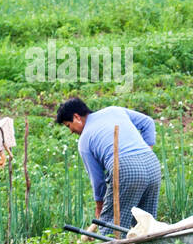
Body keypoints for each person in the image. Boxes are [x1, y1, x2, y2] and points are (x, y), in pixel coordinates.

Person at [56, 97, 162, 233]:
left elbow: (98, 180)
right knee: (145, 224)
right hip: (152, 163)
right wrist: (147, 150)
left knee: (110, 227)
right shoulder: (114, 111)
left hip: (126, 167)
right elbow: (148, 122)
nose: (71, 131)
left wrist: (100, 207)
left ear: (76, 117)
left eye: (68, 125)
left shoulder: (84, 140)